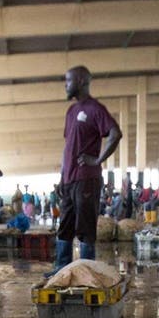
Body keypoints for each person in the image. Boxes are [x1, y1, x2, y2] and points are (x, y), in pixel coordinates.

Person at [53, 66, 122, 271]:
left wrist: (97, 160)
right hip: (69, 180)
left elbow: (115, 134)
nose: (65, 85)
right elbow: (68, 147)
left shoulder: (94, 109)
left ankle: (86, 272)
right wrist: (61, 177)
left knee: (85, 228)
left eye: (68, 80)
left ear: (81, 81)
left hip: (86, 179)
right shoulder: (71, 111)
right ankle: (61, 269)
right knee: (64, 226)